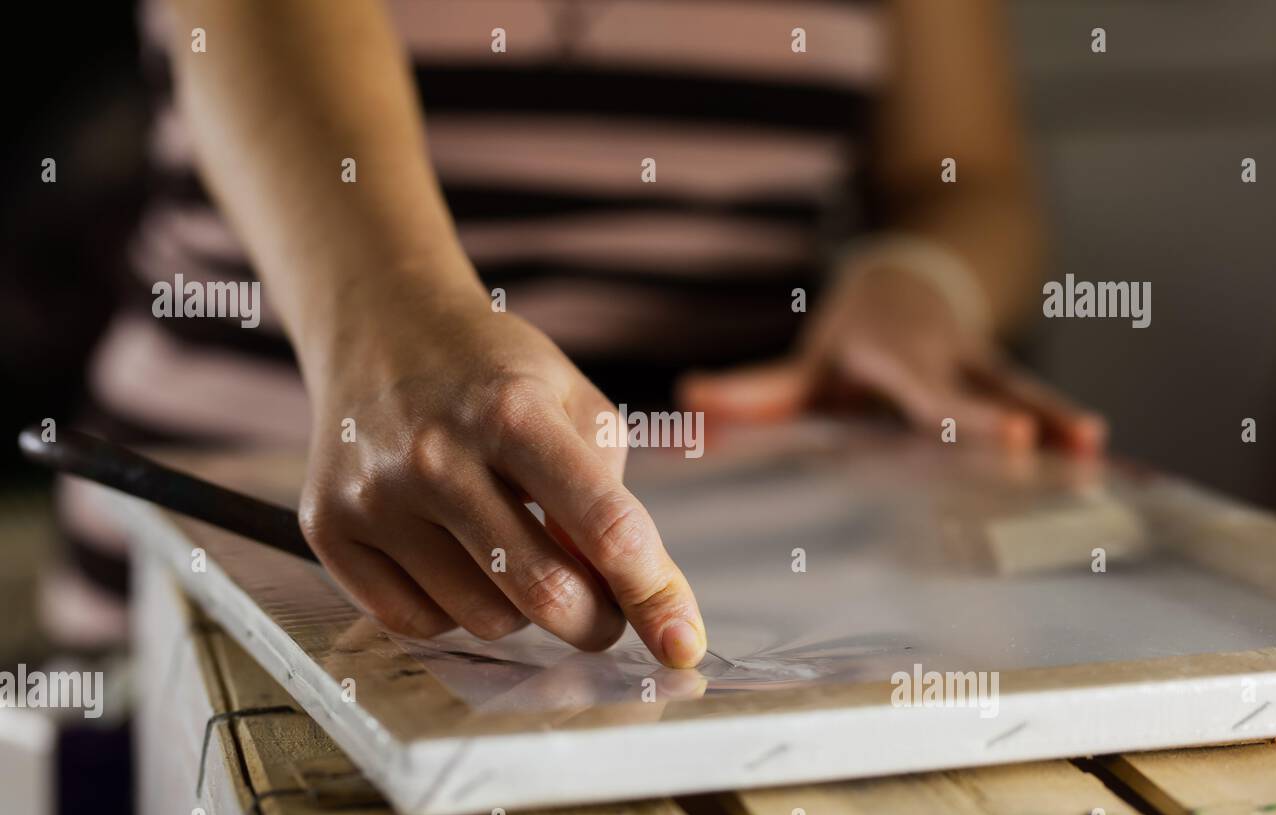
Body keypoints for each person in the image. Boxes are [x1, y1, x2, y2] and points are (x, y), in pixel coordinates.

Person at [52, 0, 1104, 673]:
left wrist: (916, 280)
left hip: (755, 584)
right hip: (227, 571)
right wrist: (388, 324)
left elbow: (970, 178)